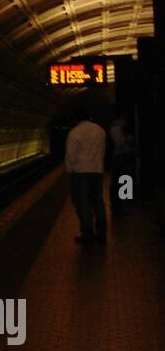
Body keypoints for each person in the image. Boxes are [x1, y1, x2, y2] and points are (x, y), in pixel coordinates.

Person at [65, 101, 108, 244]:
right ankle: (101, 233)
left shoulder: (75, 132)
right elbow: (103, 150)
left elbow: (70, 155)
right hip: (97, 171)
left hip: (80, 172)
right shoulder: (100, 130)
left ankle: (87, 233)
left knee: (83, 203)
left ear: (76, 118)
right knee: (98, 201)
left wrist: (69, 169)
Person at [108, 115, 135, 215]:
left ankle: (119, 207)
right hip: (119, 158)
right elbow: (120, 143)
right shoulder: (117, 129)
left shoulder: (116, 128)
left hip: (118, 158)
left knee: (119, 182)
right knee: (119, 182)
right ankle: (118, 207)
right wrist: (128, 141)